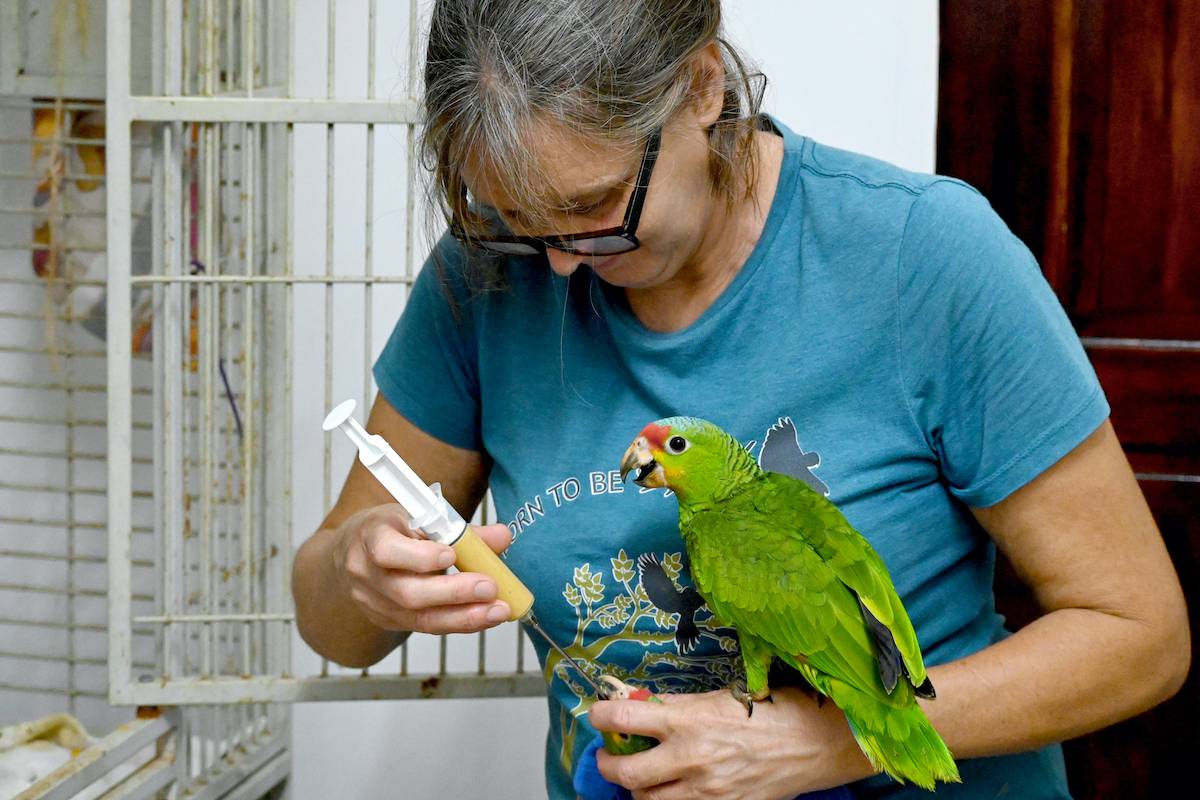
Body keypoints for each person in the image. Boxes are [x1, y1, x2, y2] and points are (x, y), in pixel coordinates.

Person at [291, 2, 1191, 798]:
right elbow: (332, 625)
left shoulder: (927, 256)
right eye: (516, 222)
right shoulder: (483, 280)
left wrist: (826, 743)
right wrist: (362, 576)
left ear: (702, 88)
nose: (560, 264)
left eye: (594, 204)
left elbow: (1139, 637)